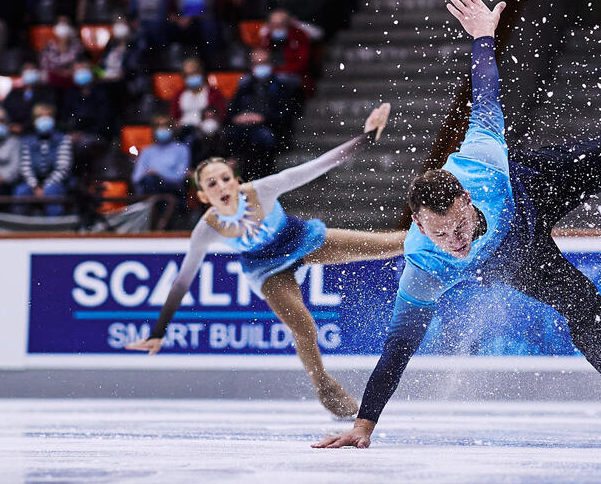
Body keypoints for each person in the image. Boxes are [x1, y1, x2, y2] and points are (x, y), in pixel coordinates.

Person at [314, 0, 601, 449]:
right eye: (440, 234)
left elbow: (485, 85)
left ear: (464, 196)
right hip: (518, 257)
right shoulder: (425, 264)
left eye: (459, 225)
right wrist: (364, 425)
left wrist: (483, 36)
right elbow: (398, 349)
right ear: (419, 227)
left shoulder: (482, 153)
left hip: (533, 186)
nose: (455, 241)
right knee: (587, 311)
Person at [126, 103, 406, 418]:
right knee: (303, 325)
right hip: (266, 269)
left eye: (225, 179)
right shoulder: (206, 229)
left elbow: (320, 165)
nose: (221, 187)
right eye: (211, 184)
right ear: (203, 195)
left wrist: (367, 137)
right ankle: (323, 385)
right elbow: (181, 282)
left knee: (390, 244)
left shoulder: (263, 190)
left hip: (302, 240)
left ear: (236, 180)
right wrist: (158, 332)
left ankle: (449, 240)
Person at [225, 48, 296, 177]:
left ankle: (261, 177)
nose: (260, 66)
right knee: (228, 135)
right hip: (244, 128)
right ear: (251, 65)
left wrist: (263, 118)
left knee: (262, 138)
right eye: (256, 63)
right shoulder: (245, 86)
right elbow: (231, 112)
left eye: (264, 62)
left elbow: (286, 114)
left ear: (271, 64)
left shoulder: (281, 86)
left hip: (269, 128)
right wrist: (238, 118)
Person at [13, 103, 74, 216]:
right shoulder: (26, 140)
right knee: (21, 191)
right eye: (41, 116)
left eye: (48, 116)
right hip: (33, 182)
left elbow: (63, 168)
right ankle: (19, 228)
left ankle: (55, 229)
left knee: (51, 191)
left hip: (57, 182)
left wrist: (45, 187)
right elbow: (25, 167)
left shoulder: (63, 139)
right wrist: (35, 186)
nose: (44, 119)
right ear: (35, 120)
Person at [132, 114, 189, 211]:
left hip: (171, 188)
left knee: (153, 180)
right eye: (158, 126)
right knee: (149, 180)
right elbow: (136, 177)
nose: (162, 129)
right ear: (154, 129)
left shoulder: (181, 149)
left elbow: (180, 176)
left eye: (166, 125)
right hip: (149, 187)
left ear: (172, 129)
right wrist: (151, 175)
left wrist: (158, 173)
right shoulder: (147, 151)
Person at [171, 57, 227, 136]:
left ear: (202, 73)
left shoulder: (214, 93)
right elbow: (174, 117)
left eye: (195, 73)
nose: (192, 76)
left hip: (206, 130)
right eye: (188, 74)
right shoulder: (178, 95)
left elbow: (221, 115)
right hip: (184, 130)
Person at [260, 9, 312, 91]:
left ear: (288, 23)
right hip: (272, 74)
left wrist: (279, 70)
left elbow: (303, 63)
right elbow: (261, 58)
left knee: (280, 81)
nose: (277, 27)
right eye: (274, 24)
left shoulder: (299, 36)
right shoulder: (268, 38)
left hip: (295, 75)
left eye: (281, 24)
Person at [4, 62, 59, 136]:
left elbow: (49, 110)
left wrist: (24, 127)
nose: (30, 72)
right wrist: (12, 126)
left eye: (32, 69)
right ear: (22, 74)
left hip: (39, 131)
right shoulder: (14, 94)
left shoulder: (47, 91)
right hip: (16, 133)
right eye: (27, 69)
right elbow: (6, 111)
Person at [39, 15, 85, 89]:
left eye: (65, 23)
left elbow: (83, 64)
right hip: (52, 84)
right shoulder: (48, 47)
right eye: (60, 23)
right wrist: (60, 72)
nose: (63, 26)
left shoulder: (78, 46)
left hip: (73, 83)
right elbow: (44, 68)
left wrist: (70, 71)